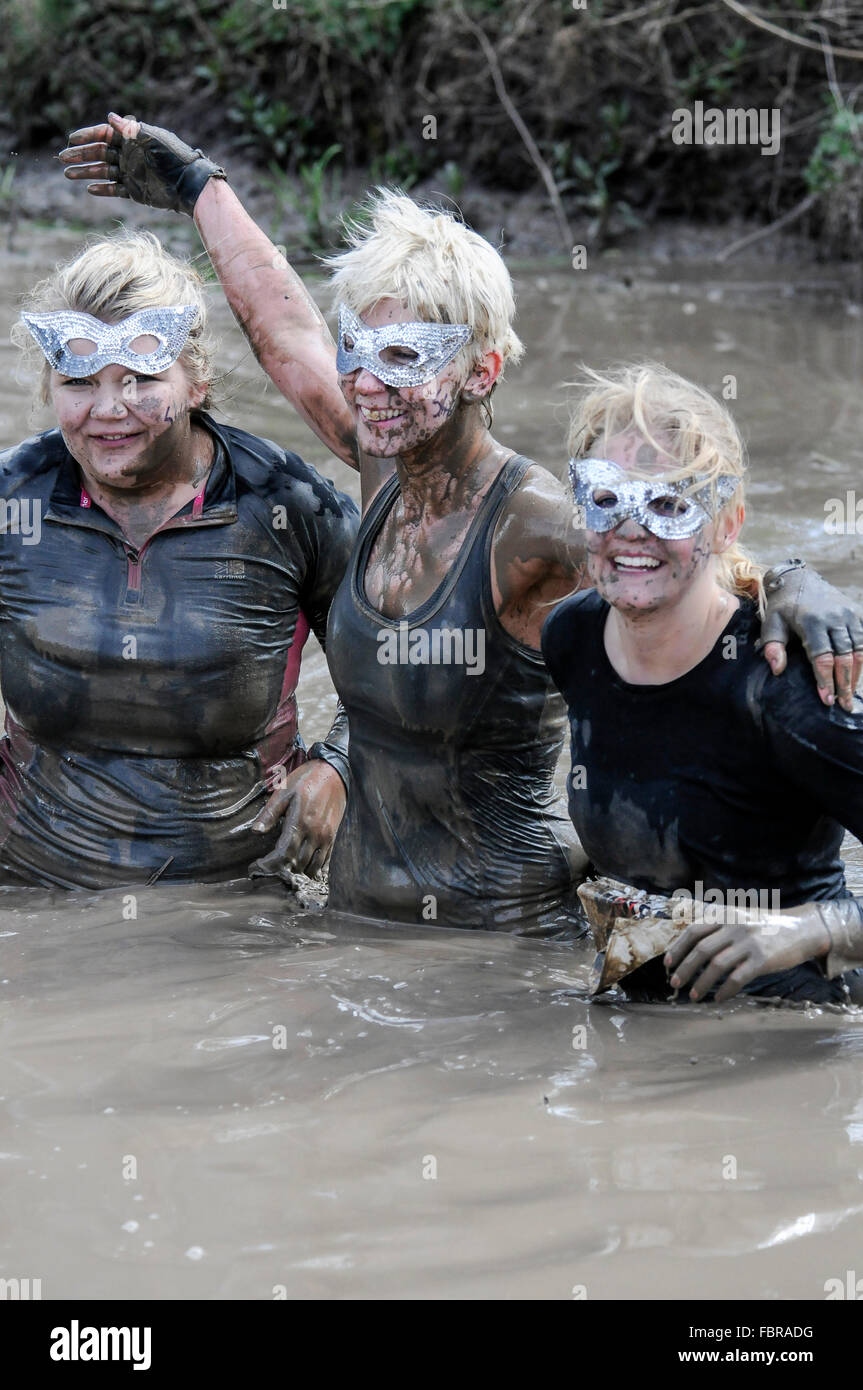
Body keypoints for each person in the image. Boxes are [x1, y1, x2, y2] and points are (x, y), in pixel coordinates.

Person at [58, 116, 863, 930]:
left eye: (404, 358)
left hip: (498, 950)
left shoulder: (532, 524)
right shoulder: (387, 468)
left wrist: (790, 582)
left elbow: (662, 547)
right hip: (358, 931)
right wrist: (202, 187)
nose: (367, 382)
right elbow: (288, 336)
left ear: (481, 369)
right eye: (357, 350)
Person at [0, 230, 357, 890]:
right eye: (79, 381)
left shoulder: (285, 506)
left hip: (234, 908)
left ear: (195, 381)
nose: (109, 410)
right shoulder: (11, 502)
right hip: (28, 892)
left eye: (140, 379)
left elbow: (399, 667)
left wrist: (338, 767)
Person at [541, 363, 863, 1003]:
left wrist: (804, 929)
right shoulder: (572, 637)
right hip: (647, 1027)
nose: (632, 530)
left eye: (668, 505)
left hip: (800, 1035)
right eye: (607, 498)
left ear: (726, 525)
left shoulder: (784, 690)